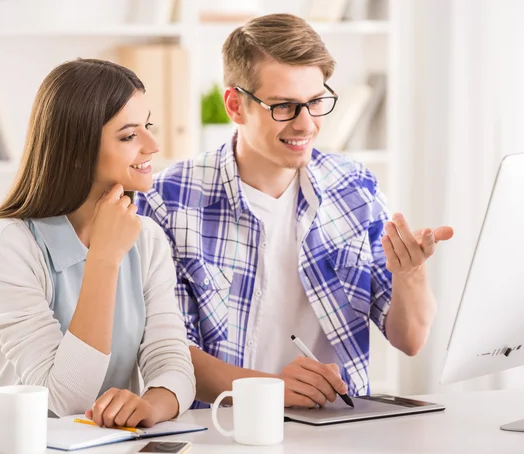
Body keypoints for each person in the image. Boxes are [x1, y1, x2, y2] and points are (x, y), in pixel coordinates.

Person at [136, 13, 453, 409]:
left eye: (316, 102)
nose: (306, 124)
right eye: (285, 106)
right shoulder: (168, 199)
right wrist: (269, 392)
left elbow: (411, 339)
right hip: (222, 431)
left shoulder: (355, 187)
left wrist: (411, 274)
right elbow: (168, 354)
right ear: (235, 105)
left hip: (339, 428)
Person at [0, 59, 195, 427]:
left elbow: (172, 362)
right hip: (6, 443)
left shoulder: (147, 239)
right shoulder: (3, 246)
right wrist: (104, 259)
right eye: (129, 135)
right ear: (74, 151)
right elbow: (62, 400)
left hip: (101, 443)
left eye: (147, 126)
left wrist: (151, 405)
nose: (153, 145)